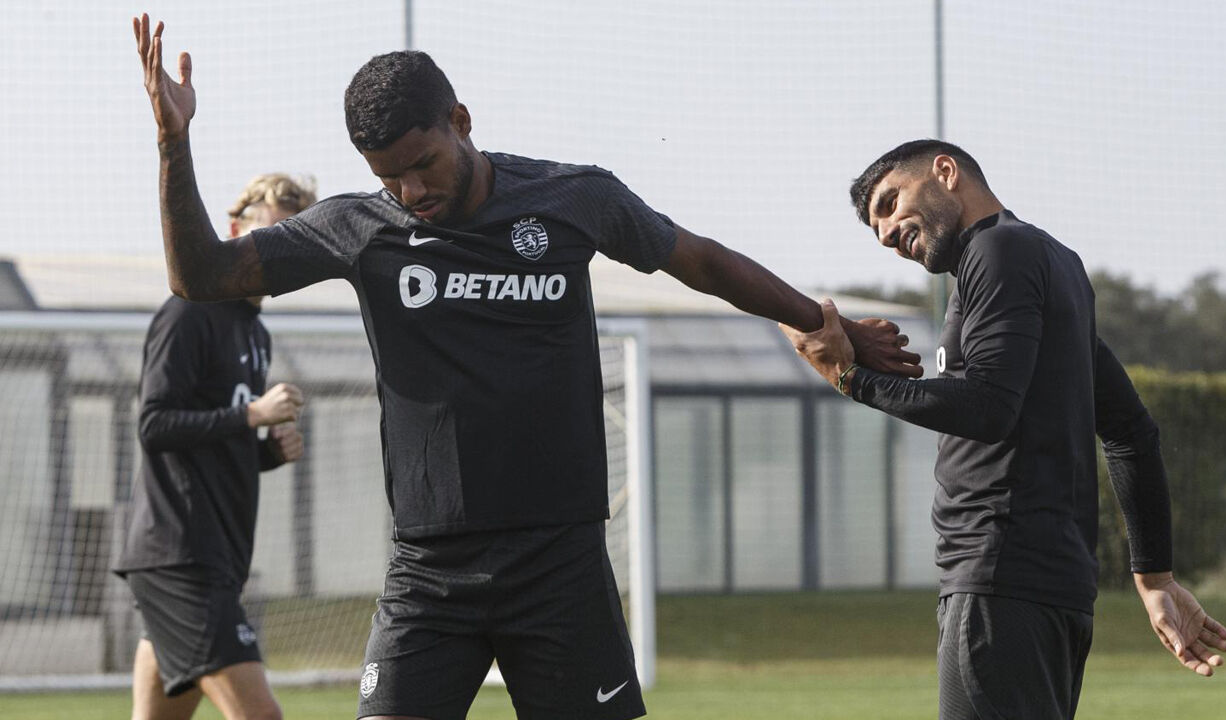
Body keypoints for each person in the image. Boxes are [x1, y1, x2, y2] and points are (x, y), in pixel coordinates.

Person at [129, 14, 921, 720]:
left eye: (422, 163)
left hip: (559, 562)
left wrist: (823, 320)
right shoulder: (358, 228)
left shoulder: (572, 197)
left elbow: (700, 260)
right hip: (429, 571)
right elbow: (200, 275)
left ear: (461, 121)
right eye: (386, 177)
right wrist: (172, 144)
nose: (410, 190)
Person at [780, 139, 1226, 719]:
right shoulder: (1050, 263)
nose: (888, 235)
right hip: (1048, 591)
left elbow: (989, 407)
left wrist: (848, 379)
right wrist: (1155, 579)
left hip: (999, 582)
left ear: (945, 172)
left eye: (890, 204)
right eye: (877, 231)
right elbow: (1130, 430)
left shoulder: (997, 251)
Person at [113, 173, 315, 720]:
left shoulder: (254, 330)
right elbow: (154, 424)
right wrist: (252, 414)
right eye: (269, 235)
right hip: (181, 555)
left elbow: (216, 444)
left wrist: (268, 450)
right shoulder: (189, 310)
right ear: (234, 231)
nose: (278, 254)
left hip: (216, 556)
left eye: (292, 243)